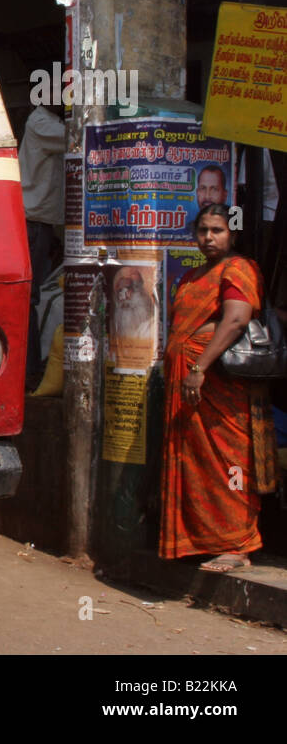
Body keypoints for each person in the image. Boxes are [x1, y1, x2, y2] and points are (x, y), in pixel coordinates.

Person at [160, 203, 275, 571]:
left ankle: (238, 545)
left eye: (218, 230)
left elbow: (236, 319)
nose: (208, 238)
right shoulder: (194, 275)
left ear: (233, 233)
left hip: (218, 387)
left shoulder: (238, 268)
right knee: (195, 463)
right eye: (203, 231)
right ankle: (200, 540)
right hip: (190, 391)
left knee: (229, 461)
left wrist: (198, 367)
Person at [18, 100, 64, 391]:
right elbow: (81, 136)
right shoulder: (42, 123)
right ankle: (29, 371)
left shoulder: (49, 123)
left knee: (34, 297)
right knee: (30, 299)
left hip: (43, 223)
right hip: (33, 222)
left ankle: (31, 369)